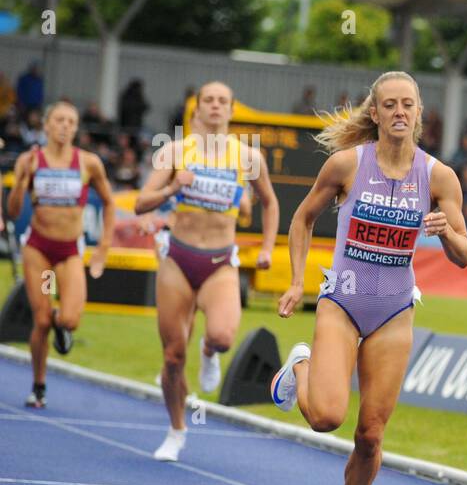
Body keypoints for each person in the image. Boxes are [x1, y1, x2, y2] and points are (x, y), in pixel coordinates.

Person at [269, 71, 467, 485]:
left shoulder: (438, 177)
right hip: (344, 300)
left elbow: (465, 255)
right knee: (325, 418)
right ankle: (301, 364)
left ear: (420, 113)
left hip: (395, 308)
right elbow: (302, 218)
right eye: (390, 105)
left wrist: (445, 233)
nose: (400, 112)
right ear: (375, 113)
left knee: (371, 433)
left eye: (409, 104)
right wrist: (297, 281)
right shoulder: (347, 165)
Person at [134, 81, 279, 461]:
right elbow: (140, 202)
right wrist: (169, 190)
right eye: (208, 101)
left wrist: (266, 248)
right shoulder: (175, 152)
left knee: (223, 336)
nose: (215, 106)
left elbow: (270, 203)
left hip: (219, 263)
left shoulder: (248, 158)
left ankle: (210, 351)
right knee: (172, 357)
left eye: (223, 101)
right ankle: (176, 429)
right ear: (197, 111)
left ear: (232, 110)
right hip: (178, 258)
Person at [5, 102, 115, 407]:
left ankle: (58, 318)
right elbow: (14, 212)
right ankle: (38, 386)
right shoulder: (30, 160)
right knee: (40, 321)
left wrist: (104, 246)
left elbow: (109, 203)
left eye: (71, 121)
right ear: (47, 125)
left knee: (70, 320)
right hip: (39, 250)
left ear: (76, 128)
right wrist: (21, 183)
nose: (65, 126)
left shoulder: (89, 163)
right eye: (59, 120)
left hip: (68, 253)